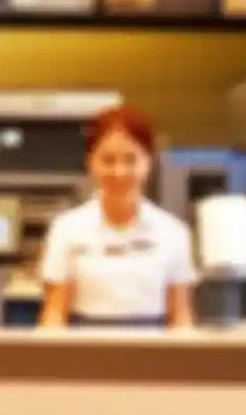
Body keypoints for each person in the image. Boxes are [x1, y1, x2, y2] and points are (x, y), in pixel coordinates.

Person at [38, 107, 196, 329]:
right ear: (90, 162)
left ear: (148, 162)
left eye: (131, 160)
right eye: (108, 160)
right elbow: (54, 314)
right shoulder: (66, 228)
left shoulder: (173, 232)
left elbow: (180, 317)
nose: (119, 172)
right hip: (85, 348)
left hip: (152, 349)